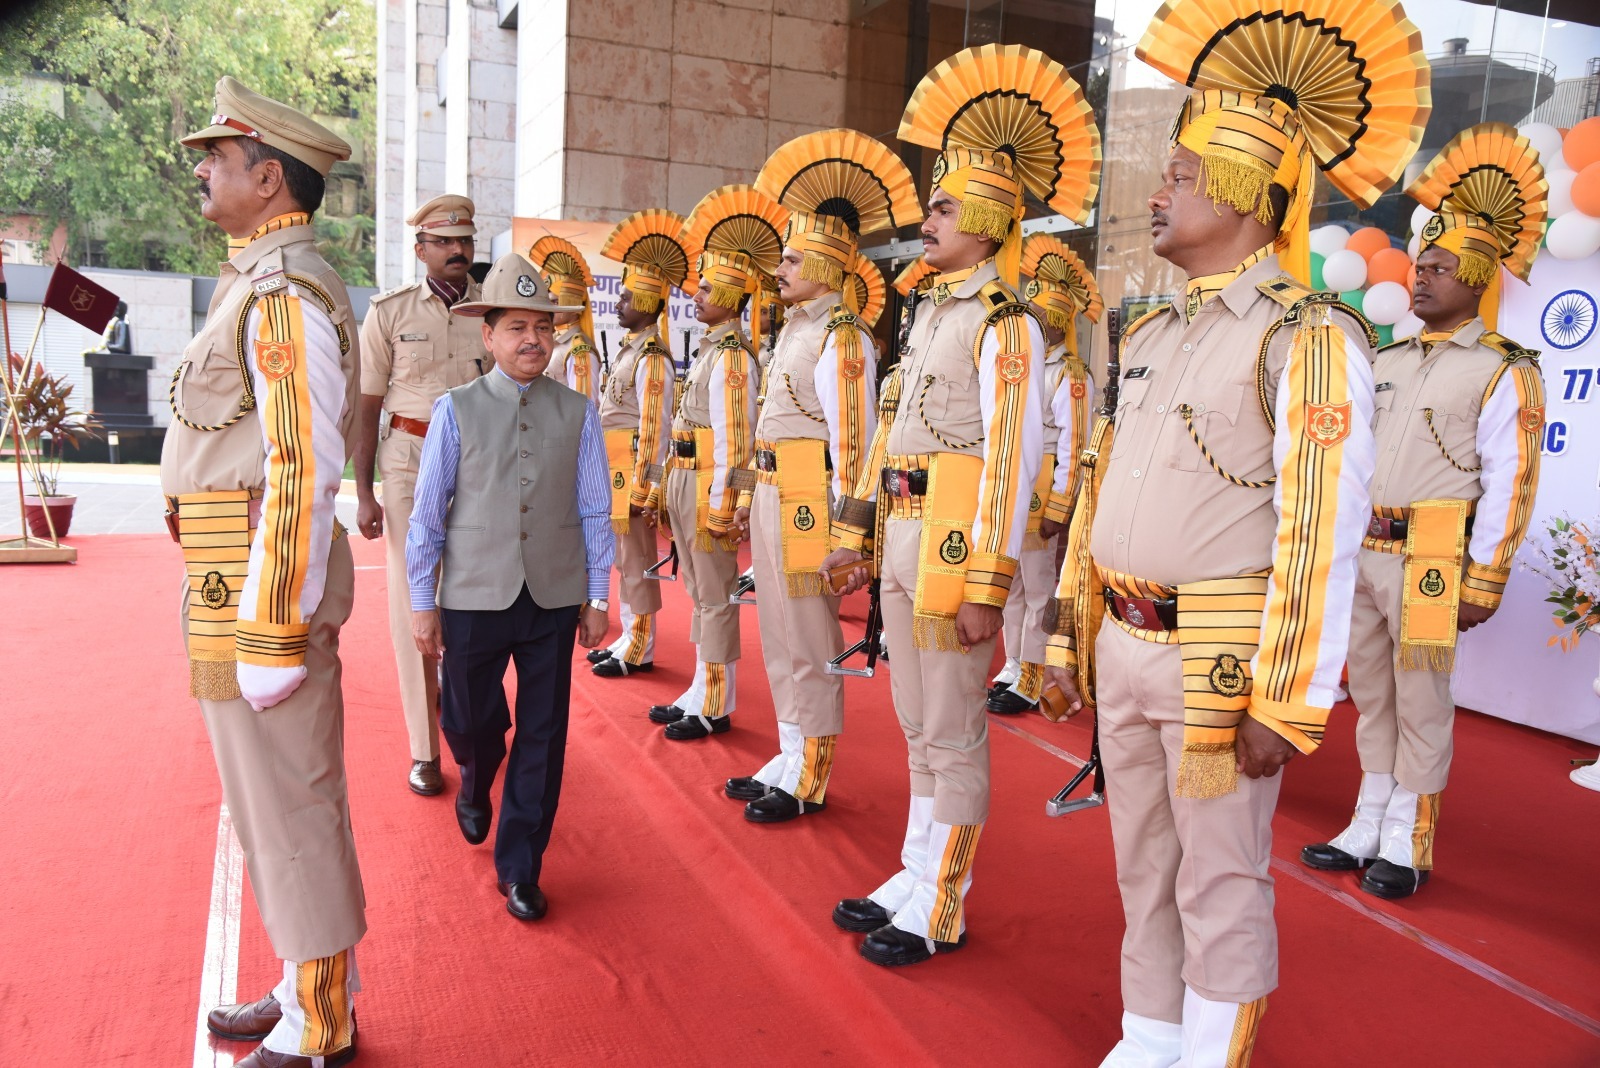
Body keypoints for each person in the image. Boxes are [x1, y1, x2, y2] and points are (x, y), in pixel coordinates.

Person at [1045, 2, 1427, 1059]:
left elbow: (1321, 532)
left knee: (1218, 873)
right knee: (1139, 865)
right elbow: (1099, 490)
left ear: (1247, 196)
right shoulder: (1154, 330)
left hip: (1219, 661)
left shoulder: (1308, 338)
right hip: (1121, 647)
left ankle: (1210, 1051)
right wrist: (1069, 634)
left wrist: (1291, 703)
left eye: (1176, 174)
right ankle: (1148, 1035)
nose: (1157, 192)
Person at [821, 43, 1096, 966]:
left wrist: (990, 581)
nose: (925, 219)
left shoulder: (1003, 322)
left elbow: (1015, 460)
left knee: (952, 726)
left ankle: (945, 898)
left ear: (986, 218)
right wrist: (858, 531)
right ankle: (913, 866)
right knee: (913, 721)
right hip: (903, 536)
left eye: (942, 206)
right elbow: (890, 435)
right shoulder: (934, 311)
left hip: (951, 547)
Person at [167, 76, 365, 1068]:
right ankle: (301, 979)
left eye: (219, 156)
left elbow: (305, 464)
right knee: (261, 798)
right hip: (227, 564)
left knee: (293, 796)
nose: (203, 169)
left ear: (269, 177)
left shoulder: (284, 292)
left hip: (262, 578)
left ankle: (322, 1012)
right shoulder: (253, 279)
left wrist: (274, 624)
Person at [1302, 123, 1546, 899]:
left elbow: (1513, 477)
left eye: (1442, 268)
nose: (1423, 278)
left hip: (1436, 552)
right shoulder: (1387, 356)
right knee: (1370, 690)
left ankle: (1408, 839)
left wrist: (1487, 576)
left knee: (1422, 697)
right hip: (1367, 550)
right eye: (1420, 265)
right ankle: (1368, 819)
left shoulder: (1504, 369)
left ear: (1477, 277)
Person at [405, 253, 615, 921]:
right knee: (469, 718)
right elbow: (428, 511)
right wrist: (420, 601)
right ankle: (474, 773)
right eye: (517, 327)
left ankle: (520, 865)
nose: (533, 340)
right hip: (471, 595)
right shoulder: (456, 409)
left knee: (545, 733)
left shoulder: (578, 411)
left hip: (552, 597)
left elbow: (594, 507)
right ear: (488, 335)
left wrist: (598, 593)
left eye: (544, 327)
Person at [718, 129, 916, 822]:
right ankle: (789, 747)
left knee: (808, 633)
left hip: (809, 496)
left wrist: (848, 532)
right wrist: (745, 493)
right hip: (775, 490)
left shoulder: (843, 338)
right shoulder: (792, 331)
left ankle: (814, 770)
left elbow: (855, 445)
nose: (781, 269)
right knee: (776, 631)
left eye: (795, 258)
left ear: (830, 266)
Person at [353, 193, 492, 796]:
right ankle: (424, 750)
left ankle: (468, 720)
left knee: (470, 596)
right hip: (408, 461)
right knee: (414, 598)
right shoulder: (389, 313)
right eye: (445, 242)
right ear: (421, 251)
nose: (458, 251)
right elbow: (365, 405)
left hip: (475, 462)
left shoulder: (491, 312)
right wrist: (363, 491)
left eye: (465, 241)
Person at [644, 184, 785, 740]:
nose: (695, 296)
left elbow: (735, 437)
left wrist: (726, 500)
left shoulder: (731, 358)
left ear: (731, 294)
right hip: (685, 479)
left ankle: (717, 701)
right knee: (700, 594)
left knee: (718, 595)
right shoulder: (709, 350)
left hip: (709, 486)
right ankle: (702, 685)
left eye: (706, 289)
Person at [986, 236, 1099, 716]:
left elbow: (1075, 447)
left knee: (1037, 590)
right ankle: (1014, 663)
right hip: (1020, 482)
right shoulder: (1030, 366)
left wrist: (1059, 507)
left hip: (1045, 488)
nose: (1042, 324)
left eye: (1050, 316)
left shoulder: (1071, 373)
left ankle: (1033, 677)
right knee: (1010, 585)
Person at [588, 208, 691, 678]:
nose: (619, 301)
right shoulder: (632, 350)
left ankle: (642, 643)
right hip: (615, 466)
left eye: (627, 296)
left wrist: (649, 485)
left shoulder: (653, 357)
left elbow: (656, 425)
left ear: (648, 305)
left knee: (639, 558)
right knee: (625, 558)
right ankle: (630, 635)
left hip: (634, 468)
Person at [531, 236, 601, 405]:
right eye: (547, 301)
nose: (549, 308)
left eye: (555, 302)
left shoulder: (579, 350)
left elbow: (583, 408)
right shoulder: (550, 341)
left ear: (574, 304)